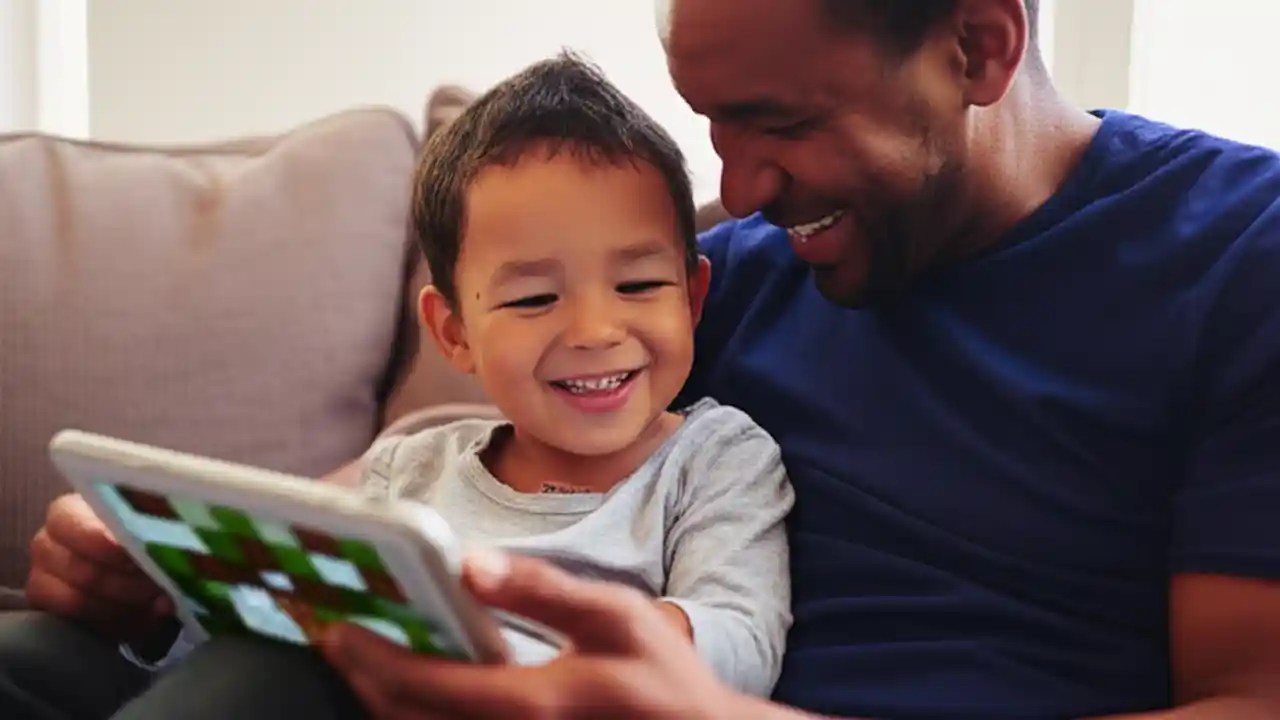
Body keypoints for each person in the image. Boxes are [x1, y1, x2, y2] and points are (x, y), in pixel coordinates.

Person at [11, 0, 1280, 717]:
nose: (740, 189)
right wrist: (173, 553)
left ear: (976, 47)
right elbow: (421, 480)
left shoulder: (1239, 258)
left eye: (781, 122)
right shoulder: (747, 276)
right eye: (712, 126)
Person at [0, 55, 794, 717]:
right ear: (454, 333)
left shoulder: (715, 457)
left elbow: (742, 641)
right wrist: (149, 595)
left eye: (638, 285)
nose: (594, 329)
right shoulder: (408, 465)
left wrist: (563, 658)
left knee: (274, 674)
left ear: (693, 298)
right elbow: (237, 620)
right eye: (533, 298)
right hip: (278, 683)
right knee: (36, 649)